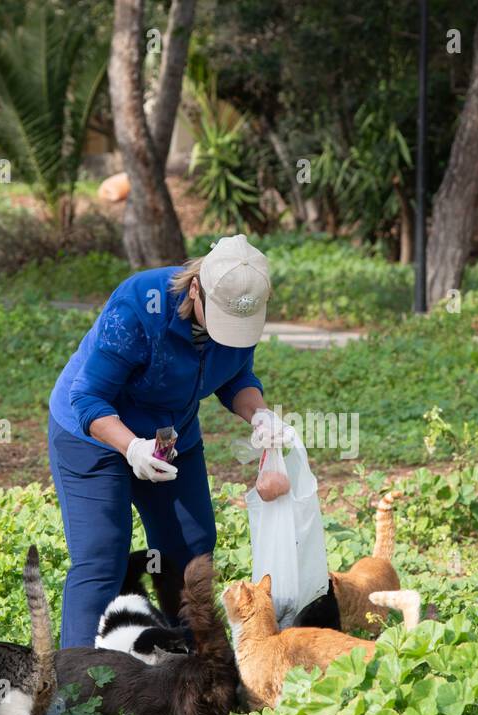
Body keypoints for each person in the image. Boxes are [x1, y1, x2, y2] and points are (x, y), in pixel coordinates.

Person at [46, 235, 296, 647]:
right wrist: (131, 448)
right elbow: (89, 397)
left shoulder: (240, 307)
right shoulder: (139, 305)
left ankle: (186, 670)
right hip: (92, 433)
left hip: (170, 434)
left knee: (191, 547)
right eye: (221, 319)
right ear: (196, 289)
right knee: (101, 559)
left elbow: (236, 377)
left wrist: (260, 415)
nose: (228, 333)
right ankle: (77, 691)